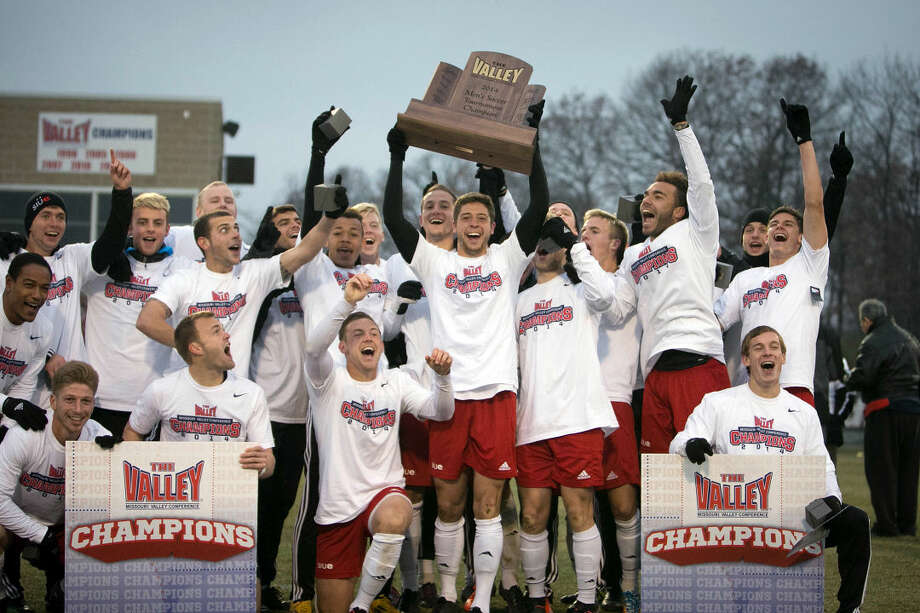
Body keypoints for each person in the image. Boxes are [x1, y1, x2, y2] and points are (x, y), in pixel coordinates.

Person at [382, 99, 548, 613]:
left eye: (481, 216)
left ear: (491, 224)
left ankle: (479, 599)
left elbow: (540, 205)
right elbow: (392, 216)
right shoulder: (433, 260)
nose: (474, 222)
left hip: (496, 393)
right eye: (465, 216)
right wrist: (397, 158)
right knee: (448, 505)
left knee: (488, 505)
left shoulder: (507, 256)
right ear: (453, 224)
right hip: (447, 398)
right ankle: (449, 594)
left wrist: (533, 141)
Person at [670, 325, 870, 613]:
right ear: (747, 359)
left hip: (790, 517)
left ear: (783, 358)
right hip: (735, 515)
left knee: (854, 520)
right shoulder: (718, 403)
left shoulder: (803, 412)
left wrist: (832, 497)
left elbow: (822, 463)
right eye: (759, 347)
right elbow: (680, 439)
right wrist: (690, 444)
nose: (768, 352)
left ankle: (849, 609)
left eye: (774, 347)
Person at [304, 274, 454, 613]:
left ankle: (362, 604)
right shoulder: (328, 381)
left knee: (399, 510)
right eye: (357, 335)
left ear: (382, 345)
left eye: (374, 334)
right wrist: (347, 303)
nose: (368, 338)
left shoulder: (396, 381)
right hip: (338, 508)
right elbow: (313, 347)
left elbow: (440, 412)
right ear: (342, 347)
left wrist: (444, 378)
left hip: (383, 496)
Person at [604, 76, 729, 453]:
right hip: (655, 372)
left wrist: (682, 127)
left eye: (657, 195)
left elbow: (702, 187)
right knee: (659, 481)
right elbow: (616, 309)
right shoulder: (632, 254)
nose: (646, 199)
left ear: (677, 210)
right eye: (645, 195)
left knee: (708, 475)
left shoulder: (696, 232)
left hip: (698, 361)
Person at [515, 217, 617, 613]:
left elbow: (607, 295)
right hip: (531, 423)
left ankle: (588, 600)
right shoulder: (517, 300)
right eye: (538, 241)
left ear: (562, 250)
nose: (543, 246)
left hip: (577, 419)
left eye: (550, 242)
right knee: (532, 515)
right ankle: (538, 597)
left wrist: (574, 244)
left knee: (579, 512)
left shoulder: (581, 293)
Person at [714, 99, 828, 407]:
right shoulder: (746, 279)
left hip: (793, 388)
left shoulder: (809, 266)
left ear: (802, 237)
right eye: (773, 224)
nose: (779, 227)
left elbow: (815, 205)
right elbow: (713, 324)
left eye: (788, 224)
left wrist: (804, 141)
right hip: (745, 392)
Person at [0, 151, 135, 404]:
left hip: (69, 392)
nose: (54, 223)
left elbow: (111, 242)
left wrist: (122, 192)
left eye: (60, 217)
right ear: (30, 224)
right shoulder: (7, 261)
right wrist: (47, 358)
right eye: (46, 216)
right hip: (20, 387)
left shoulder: (72, 258)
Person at [136, 205, 330, 379]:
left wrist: (330, 217)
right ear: (204, 242)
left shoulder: (254, 274)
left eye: (236, 229)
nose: (235, 235)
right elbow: (148, 320)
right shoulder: (184, 279)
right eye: (224, 230)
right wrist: (195, 348)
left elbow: (305, 251)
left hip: (233, 397)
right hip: (182, 396)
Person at [0, 361, 111, 612]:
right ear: (52, 402)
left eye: (86, 401)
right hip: (17, 520)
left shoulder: (99, 438)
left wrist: (116, 459)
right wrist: (41, 535)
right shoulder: (26, 435)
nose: (78, 410)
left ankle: (59, 590)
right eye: (69, 400)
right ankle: (7, 594)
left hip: (63, 528)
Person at [83, 192, 195, 435]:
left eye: (157, 223)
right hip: (100, 398)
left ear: (167, 230)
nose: (150, 230)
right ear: (130, 227)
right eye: (142, 222)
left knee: (142, 475)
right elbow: (57, 265)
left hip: (152, 400)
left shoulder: (182, 269)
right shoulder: (102, 265)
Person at [579, 210, 642, 613]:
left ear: (615, 242)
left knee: (622, 506)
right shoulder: (574, 283)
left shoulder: (627, 280)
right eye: (582, 231)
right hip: (578, 404)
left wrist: (578, 257)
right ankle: (602, 586)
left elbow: (614, 309)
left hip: (617, 400)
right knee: (583, 507)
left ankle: (632, 586)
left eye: (594, 231)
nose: (585, 236)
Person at [248, 204, 309, 610]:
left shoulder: (313, 278)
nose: (291, 228)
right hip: (263, 414)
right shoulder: (261, 280)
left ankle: (264, 579)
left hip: (303, 415)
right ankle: (240, 579)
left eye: (296, 224)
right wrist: (261, 249)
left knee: (279, 509)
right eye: (282, 224)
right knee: (251, 505)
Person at [846, 298, 920, 537]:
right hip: (913, 412)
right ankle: (907, 523)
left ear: (867, 320)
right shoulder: (910, 340)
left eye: (862, 322)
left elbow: (864, 377)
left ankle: (887, 524)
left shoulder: (872, 342)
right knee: (908, 470)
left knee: (882, 469)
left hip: (884, 410)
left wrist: (849, 380)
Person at [0, 254, 54, 428]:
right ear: (9, 283)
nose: (37, 295)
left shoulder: (44, 330)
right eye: (29, 285)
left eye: (44, 288)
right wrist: (7, 405)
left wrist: (6, 427)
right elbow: (13, 405)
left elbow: (24, 385)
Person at [163, 180, 250, 260]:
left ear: (236, 211)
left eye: (229, 201)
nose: (223, 204)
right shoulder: (175, 238)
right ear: (199, 212)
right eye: (215, 201)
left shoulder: (247, 255)